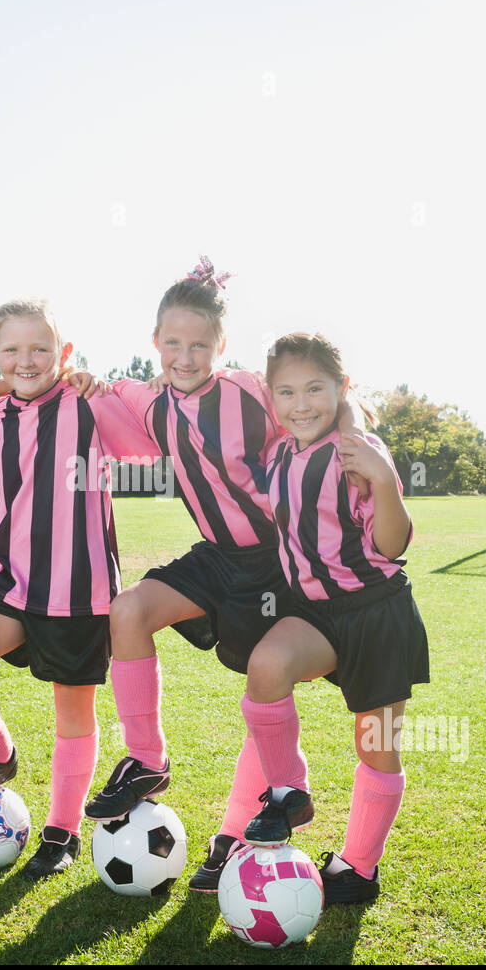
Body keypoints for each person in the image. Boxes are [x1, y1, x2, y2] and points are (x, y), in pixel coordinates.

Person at [80, 257, 367, 893]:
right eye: (173, 343)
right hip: (214, 555)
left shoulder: (249, 390)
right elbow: (100, 389)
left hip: (277, 560)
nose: (186, 356)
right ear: (155, 343)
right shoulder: (149, 401)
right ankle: (146, 762)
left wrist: (353, 427)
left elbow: (319, 401)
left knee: (261, 695)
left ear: (221, 346)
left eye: (200, 344)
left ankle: (236, 833)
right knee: (128, 611)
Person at [0, 297, 154, 879]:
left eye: (40, 349)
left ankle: (62, 832)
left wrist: (103, 391)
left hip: (77, 587)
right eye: (11, 349)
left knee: (73, 715)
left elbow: (147, 455)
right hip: (4, 578)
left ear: (65, 352)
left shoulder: (86, 403)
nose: (25, 360)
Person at [238, 331, 428, 905]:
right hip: (315, 611)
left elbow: (393, 545)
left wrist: (386, 480)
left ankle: (359, 867)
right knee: (266, 666)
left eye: (315, 389)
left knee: (375, 740)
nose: (301, 404)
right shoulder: (278, 453)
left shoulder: (358, 450)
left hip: (378, 611)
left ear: (340, 387)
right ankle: (288, 791)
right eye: (287, 392)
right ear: (272, 398)